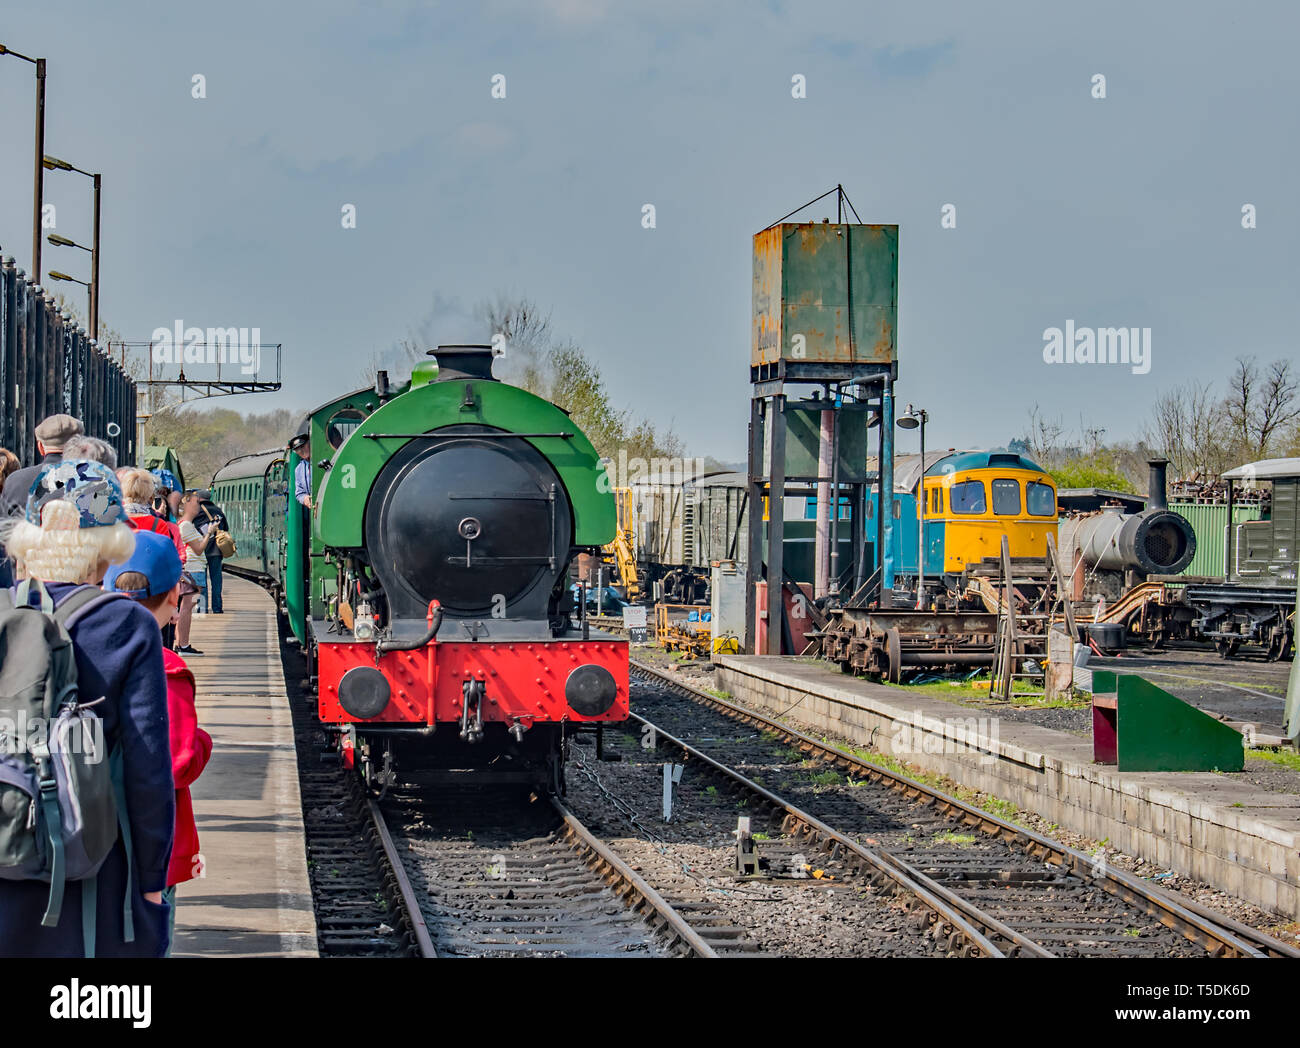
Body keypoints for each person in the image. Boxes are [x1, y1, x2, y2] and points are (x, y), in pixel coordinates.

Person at [0, 459, 174, 958]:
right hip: (95, 867)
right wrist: (150, 879)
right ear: (108, 549)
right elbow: (147, 772)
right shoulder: (125, 625)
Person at [104, 531, 212, 955]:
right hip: (151, 846)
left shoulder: (80, 646)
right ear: (174, 597)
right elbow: (179, 762)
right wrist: (203, 740)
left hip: (87, 834)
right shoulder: (166, 668)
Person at [1, 413, 83, 516]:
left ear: (40, 447)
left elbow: (4, 527)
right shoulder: (96, 480)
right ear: (80, 445)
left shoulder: (15, 481)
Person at [175, 491, 214, 654]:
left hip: (191, 569)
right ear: (187, 505)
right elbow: (198, 549)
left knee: (185, 608)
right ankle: (183, 645)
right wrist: (209, 533)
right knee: (186, 609)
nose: (199, 506)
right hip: (193, 569)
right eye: (196, 503)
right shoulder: (186, 526)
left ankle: (181, 643)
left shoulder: (183, 524)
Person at [196, 490, 229, 614]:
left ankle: (202, 608)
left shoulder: (197, 511)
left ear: (199, 498)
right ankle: (217, 607)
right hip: (216, 550)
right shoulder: (218, 511)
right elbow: (226, 528)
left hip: (201, 549)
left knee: (201, 581)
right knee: (216, 580)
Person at [290, 432, 312, 508]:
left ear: (309, 443)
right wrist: (304, 498)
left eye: (302, 446)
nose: (300, 451)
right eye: (297, 450)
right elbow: (299, 493)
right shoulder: (298, 470)